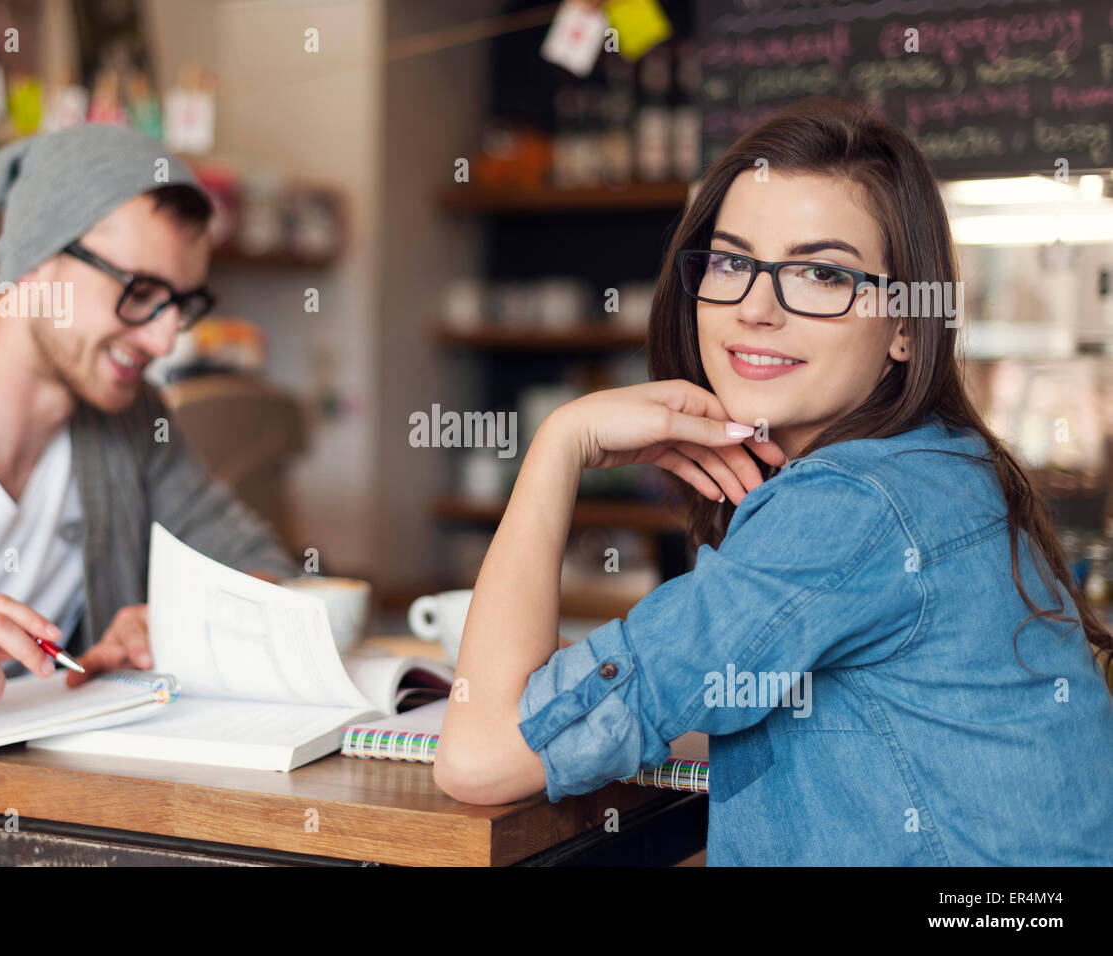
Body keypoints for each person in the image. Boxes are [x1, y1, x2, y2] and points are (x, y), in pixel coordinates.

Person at [434, 97, 1113, 865]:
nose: (756, 308)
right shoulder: (938, 463)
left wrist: (559, 444)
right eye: (731, 262)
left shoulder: (849, 506)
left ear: (906, 325)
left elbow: (479, 757)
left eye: (821, 272)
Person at [0, 124, 298, 740]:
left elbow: (265, 570)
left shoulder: (134, 420)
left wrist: (188, 621)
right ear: (37, 261)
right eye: (140, 292)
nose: (161, 339)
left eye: (181, 304)